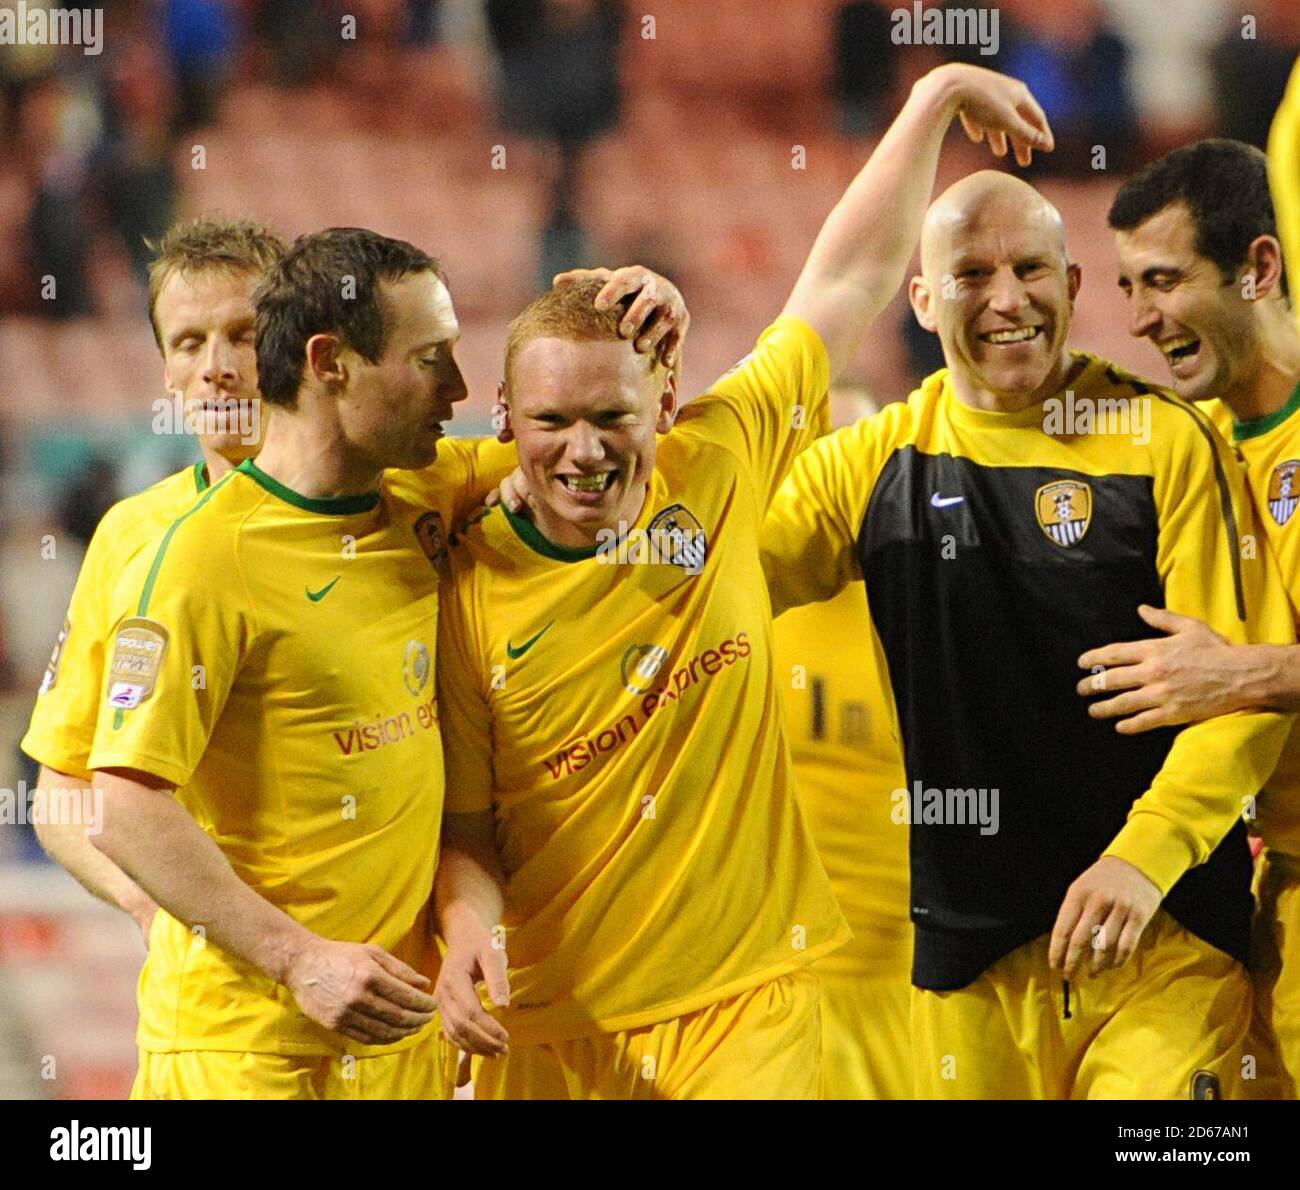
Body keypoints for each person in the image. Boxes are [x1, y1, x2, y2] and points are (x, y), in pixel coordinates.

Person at [432, 62, 1054, 1099]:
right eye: (551, 423)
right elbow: (465, 827)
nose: (583, 452)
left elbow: (847, 277)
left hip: (747, 1006)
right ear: (503, 423)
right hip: (552, 1021)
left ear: (664, 406)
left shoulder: (717, 467)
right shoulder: (458, 580)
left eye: (613, 418)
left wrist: (931, 99)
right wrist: (461, 932)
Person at [80, 228, 685, 1100]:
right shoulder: (203, 561)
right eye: (430, 359)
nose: (461, 390)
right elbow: (123, 806)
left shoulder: (424, 491)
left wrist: (652, 317)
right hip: (251, 1054)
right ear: (331, 364)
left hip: (404, 1046)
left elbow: (587, 441)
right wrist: (297, 960)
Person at [759, 164, 1296, 1099]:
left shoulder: (1167, 442)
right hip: (968, 967)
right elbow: (695, 580)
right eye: (972, 275)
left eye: (1032, 270)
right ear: (924, 301)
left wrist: (1143, 858)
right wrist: (637, 409)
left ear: (1071, 284)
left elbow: (1237, 697)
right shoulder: (867, 468)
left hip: (1164, 944)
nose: (1008, 300)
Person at [1078, 136, 1300, 1097]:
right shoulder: (1194, 442)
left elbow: (1228, 672)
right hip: (1274, 886)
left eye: (1162, 281)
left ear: (1257, 268)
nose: (1138, 320)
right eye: (1128, 288)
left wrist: (1243, 674)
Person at [23, 216, 284, 950]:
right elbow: (62, 790)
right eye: (190, 343)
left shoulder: (390, 508)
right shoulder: (131, 536)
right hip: (213, 1016)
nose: (217, 366)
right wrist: (151, 902)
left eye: (244, 333)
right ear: (166, 369)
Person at [771, 382, 912, 1099]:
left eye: (861, 460)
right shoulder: (738, 608)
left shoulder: (935, 612)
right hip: (769, 1008)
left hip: (917, 1002)